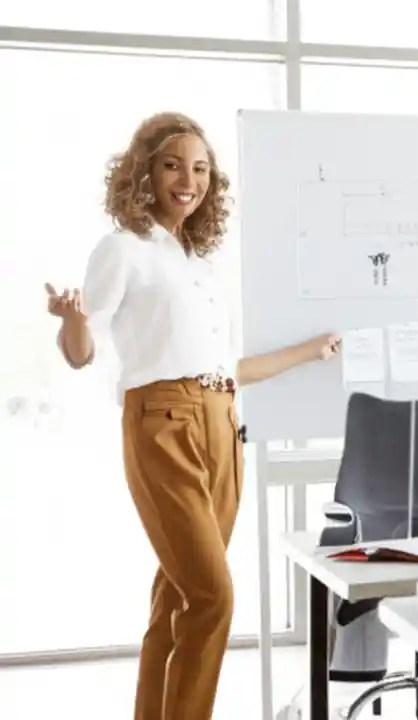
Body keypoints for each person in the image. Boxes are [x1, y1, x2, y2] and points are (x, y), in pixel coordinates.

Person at [44, 112, 341, 720]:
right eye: (173, 164)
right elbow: (82, 352)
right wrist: (73, 320)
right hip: (162, 422)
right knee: (212, 596)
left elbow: (224, 367)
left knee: (178, 596)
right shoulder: (122, 249)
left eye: (201, 167)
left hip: (222, 424)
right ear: (145, 171)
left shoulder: (197, 262)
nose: (188, 179)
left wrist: (311, 352)